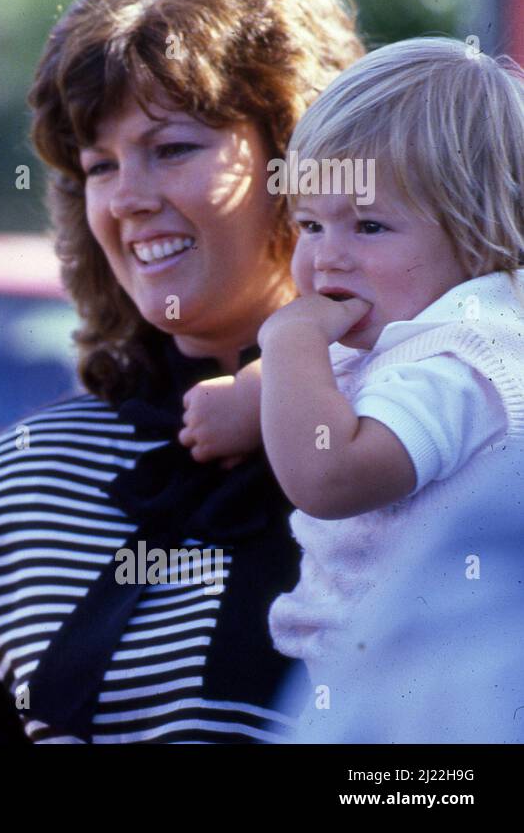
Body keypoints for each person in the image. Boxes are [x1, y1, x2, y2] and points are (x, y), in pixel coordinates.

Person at [0, 0, 365, 743]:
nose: (128, 199)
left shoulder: (425, 436)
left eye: (171, 149)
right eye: (99, 167)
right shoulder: (13, 485)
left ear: (301, 165)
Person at [177, 38, 524, 722]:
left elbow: (331, 476)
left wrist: (288, 339)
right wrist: (249, 394)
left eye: (368, 225)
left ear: (478, 235)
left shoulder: (460, 367)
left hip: (437, 698)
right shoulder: (407, 330)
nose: (328, 256)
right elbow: (339, 383)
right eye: (310, 223)